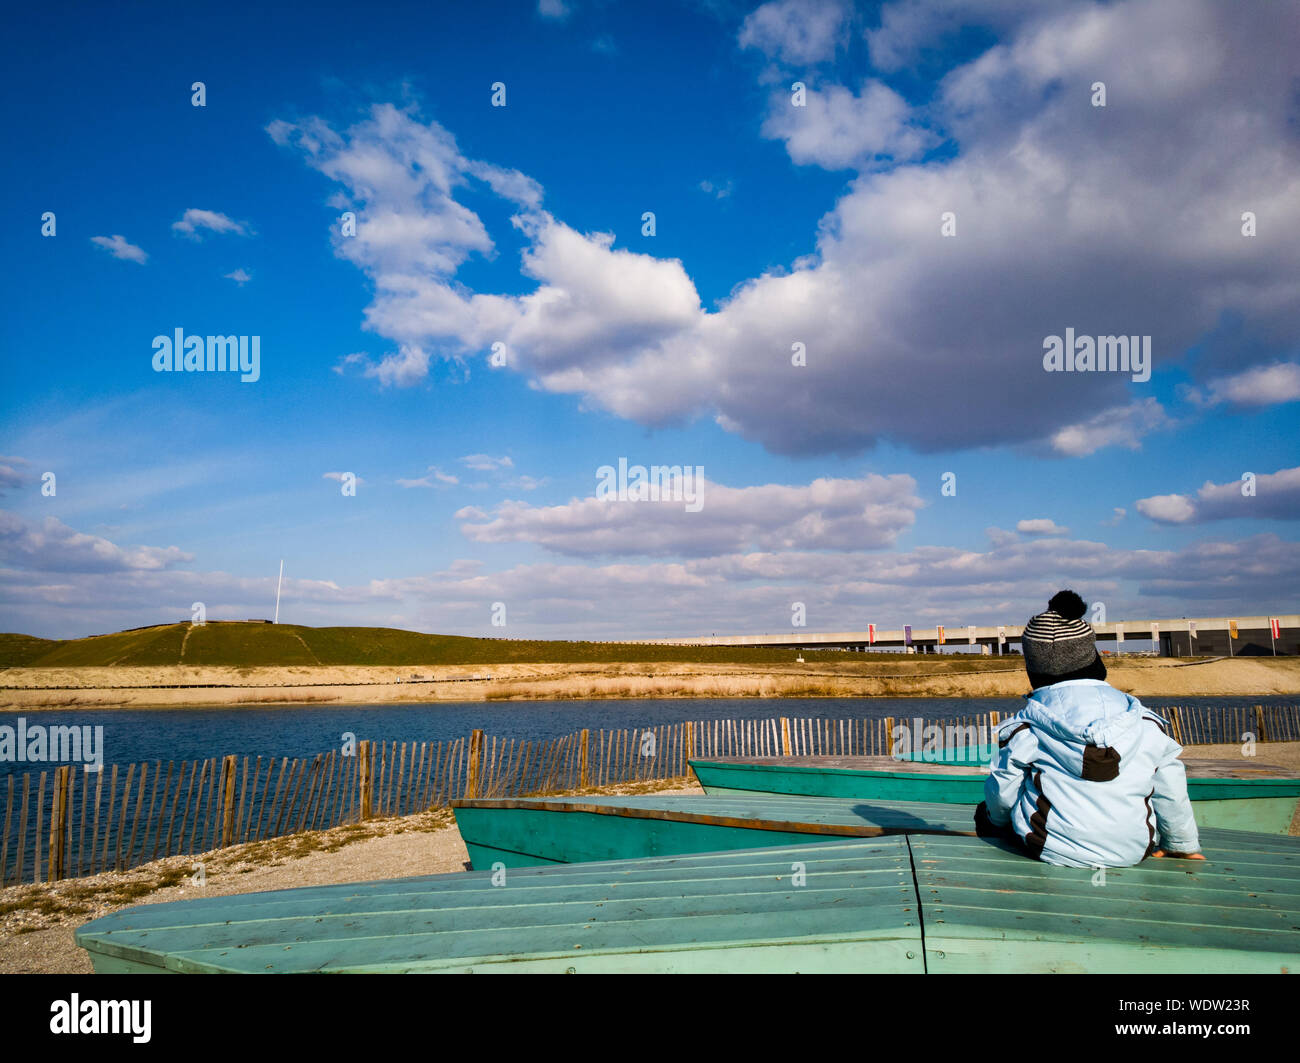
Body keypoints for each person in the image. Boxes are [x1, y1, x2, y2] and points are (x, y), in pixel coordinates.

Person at [975, 589, 1204, 868]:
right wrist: (1181, 844)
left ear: (1032, 672)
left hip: (1046, 847)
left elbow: (1003, 793)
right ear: (1094, 659)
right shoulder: (1144, 721)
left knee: (994, 810)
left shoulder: (1026, 727)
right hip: (1133, 851)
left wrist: (991, 820)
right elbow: (1170, 787)